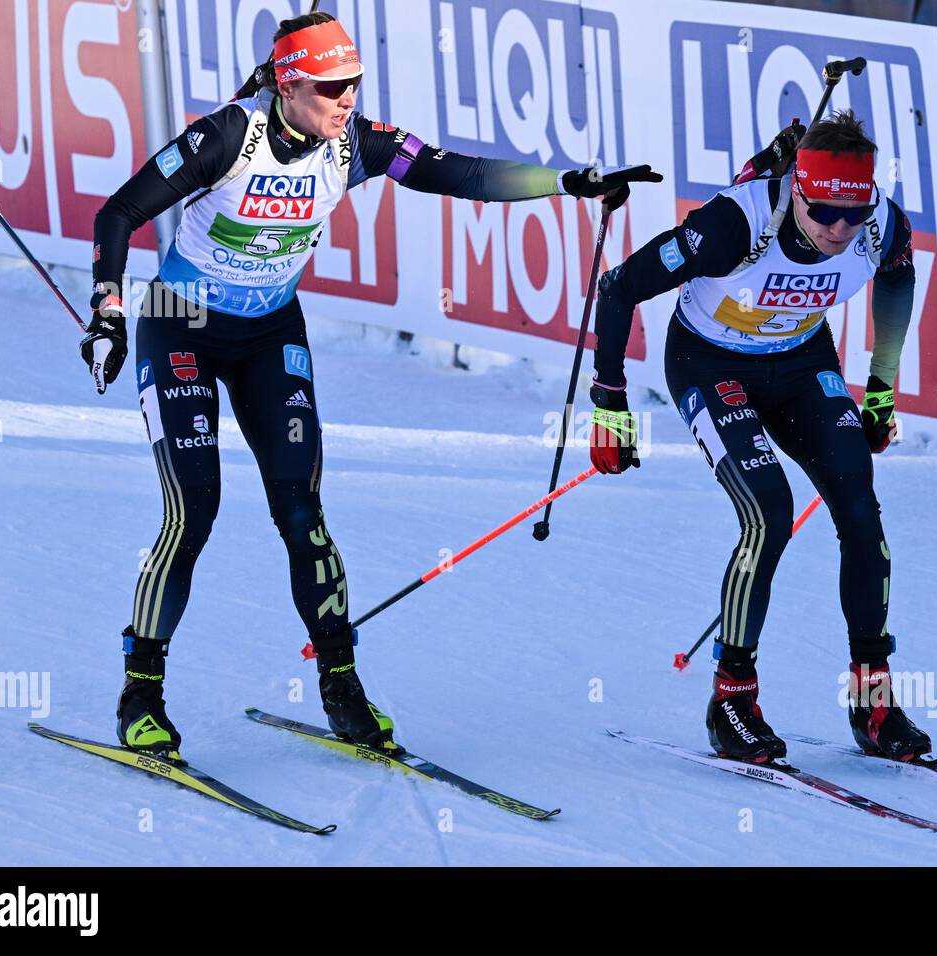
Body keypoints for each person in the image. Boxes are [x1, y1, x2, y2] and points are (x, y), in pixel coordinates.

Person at [80, 12, 660, 760]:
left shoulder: (355, 142)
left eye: (354, 83)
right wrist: (109, 309)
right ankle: (141, 691)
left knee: (304, 514)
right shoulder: (227, 136)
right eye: (330, 87)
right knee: (194, 512)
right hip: (179, 323)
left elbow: (465, 174)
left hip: (268, 330)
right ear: (288, 85)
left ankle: (341, 684)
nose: (346, 98)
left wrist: (570, 182)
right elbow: (118, 212)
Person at [586, 111, 930, 764]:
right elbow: (621, 287)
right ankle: (732, 700)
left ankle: (873, 698)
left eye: (850, 217)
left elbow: (897, 275)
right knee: (769, 513)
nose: (837, 230)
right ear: (797, 190)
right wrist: (609, 402)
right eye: (824, 211)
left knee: (861, 509)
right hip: (711, 366)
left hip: (801, 365)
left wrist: (881, 386)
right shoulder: (734, 224)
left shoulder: (879, 224)